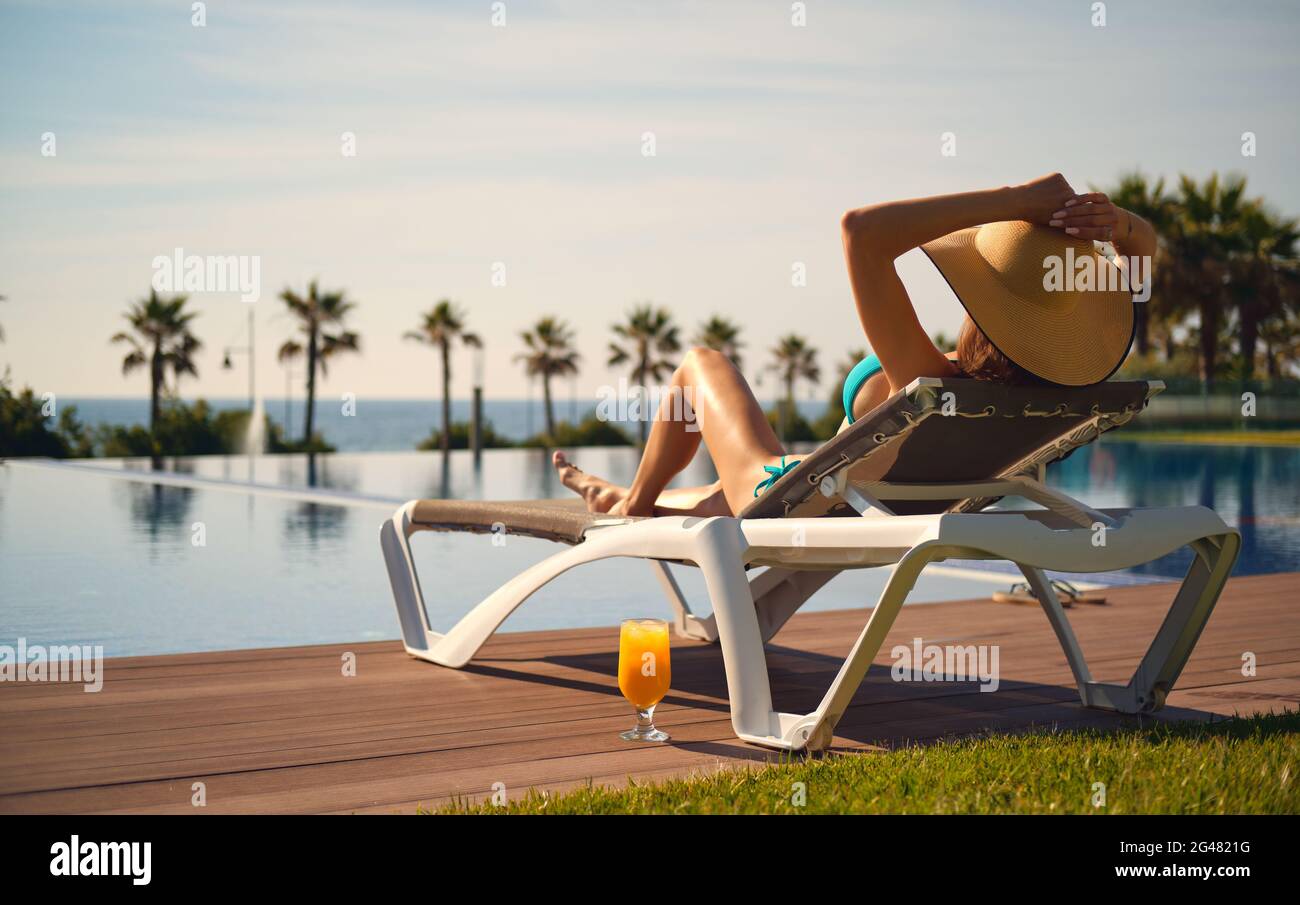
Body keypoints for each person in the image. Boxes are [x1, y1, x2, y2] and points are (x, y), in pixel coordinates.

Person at [555, 172, 1157, 518]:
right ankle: (621, 497)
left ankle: (633, 504)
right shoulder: (1070, 388)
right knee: (713, 497)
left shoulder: (928, 380)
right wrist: (1121, 228)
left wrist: (1015, 202)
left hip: (805, 502)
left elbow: (861, 232)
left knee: (700, 364)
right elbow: (1144, 262)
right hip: (866, 498)